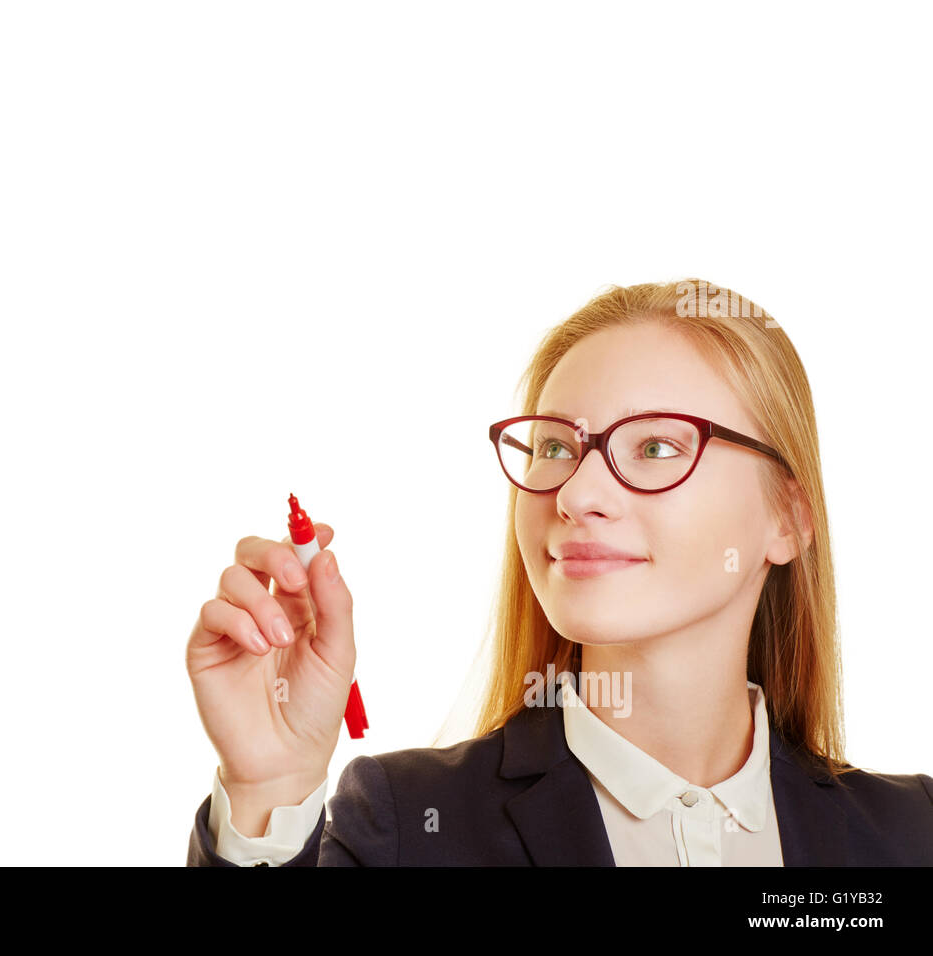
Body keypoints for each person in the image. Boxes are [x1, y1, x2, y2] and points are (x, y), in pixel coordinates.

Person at [184, 279, 933, 866]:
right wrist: (268, 790)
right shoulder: (408, 828)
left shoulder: (911, 836)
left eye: (656, 448)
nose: (574, 496)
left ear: (788, 519)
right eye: (553, 449)